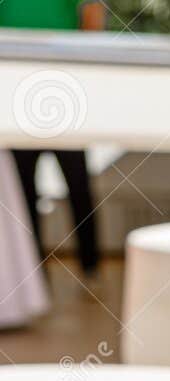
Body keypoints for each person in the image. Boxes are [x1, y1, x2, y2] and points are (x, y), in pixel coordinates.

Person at [0, 0, 105, 277]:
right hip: (16, 98)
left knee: (79, 186)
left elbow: (93, 12)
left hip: (64, 95)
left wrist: (84, 64)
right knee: (23, 194)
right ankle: (33, 274)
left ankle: (91, 267)